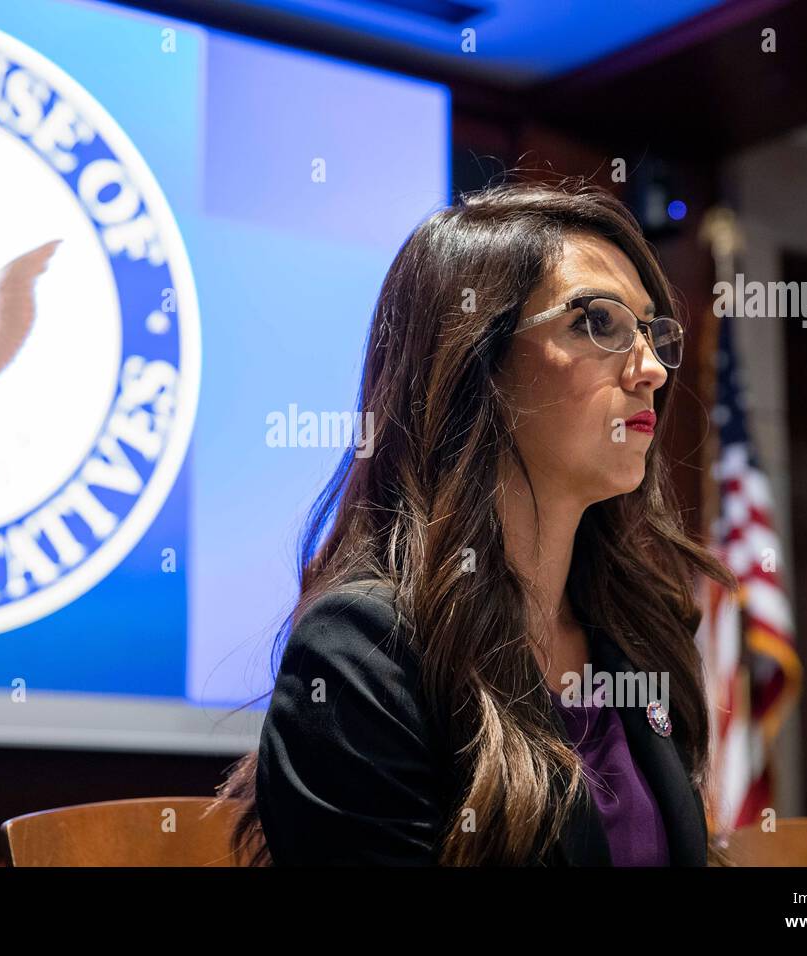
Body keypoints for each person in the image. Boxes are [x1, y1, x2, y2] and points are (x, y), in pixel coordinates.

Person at [212, 178, 738, 866]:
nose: (650, 371)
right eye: (597, 323)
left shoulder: (636, 629)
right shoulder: (363, 651)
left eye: (651, 332)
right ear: (475, 363)